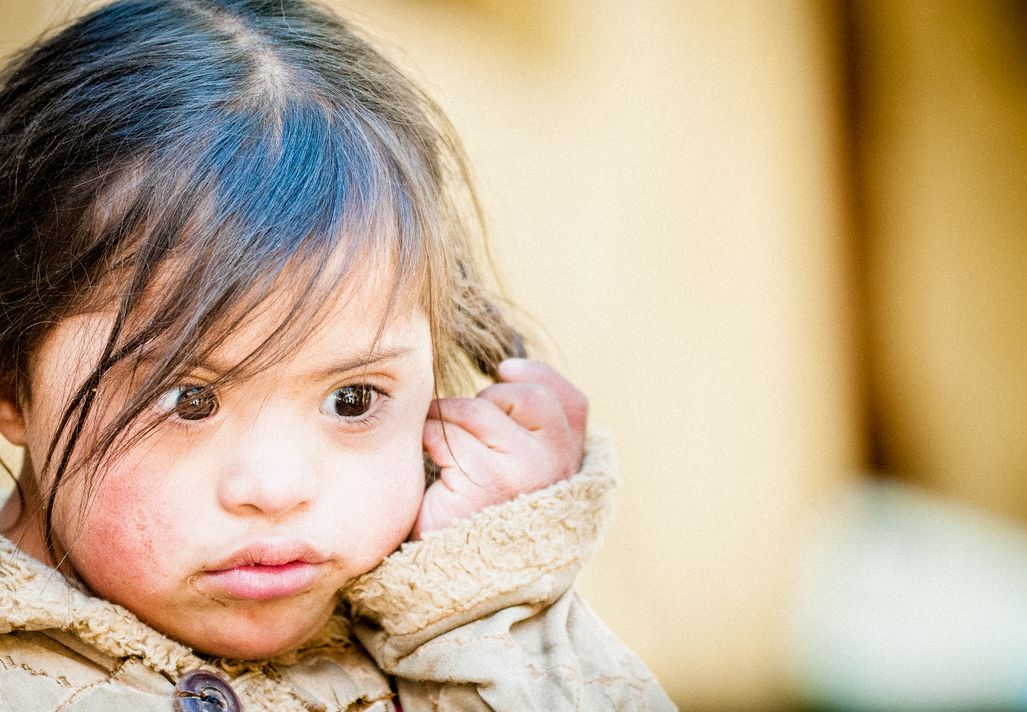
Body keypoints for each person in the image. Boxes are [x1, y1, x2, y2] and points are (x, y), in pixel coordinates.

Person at [0, 1, 674, 710]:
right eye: (189, 400)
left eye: (353, 399)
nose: (279, 489)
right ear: (13, 383)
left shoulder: (451, 626)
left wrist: (493, 595)